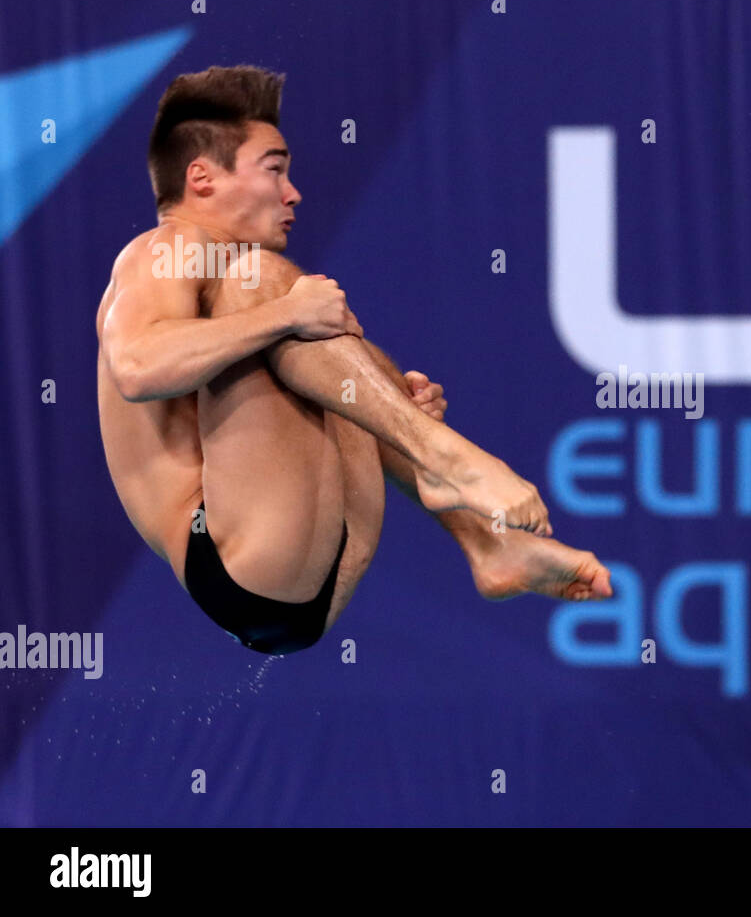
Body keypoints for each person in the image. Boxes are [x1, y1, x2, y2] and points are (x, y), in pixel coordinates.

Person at [95, 65, 612, 654]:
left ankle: (482, 540)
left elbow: (320, 359)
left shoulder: (233, 295)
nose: (294, 193)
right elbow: (135, 368)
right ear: (202, 178)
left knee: (332, 349)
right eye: (275, 169)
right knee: (272, 291)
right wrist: (284, 317)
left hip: (304, 567)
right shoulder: (161, 251)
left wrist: (388, 400)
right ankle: (445, 458)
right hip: (228, 558)